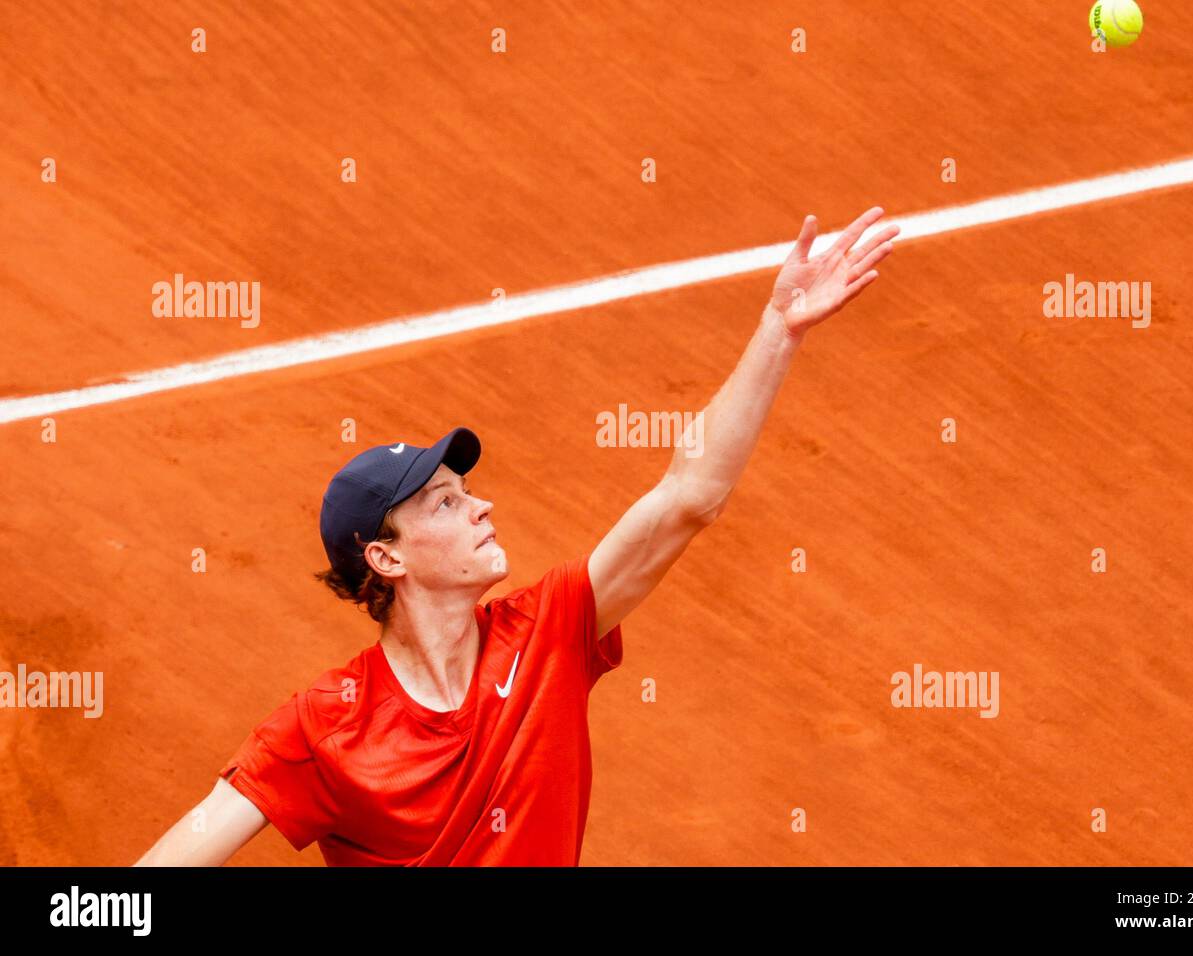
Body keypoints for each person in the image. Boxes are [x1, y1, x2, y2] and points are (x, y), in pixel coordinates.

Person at [134, 208, 897, 865]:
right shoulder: (325, 728)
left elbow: (688, 499)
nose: (481, 508)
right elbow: (176, 856)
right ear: (386, 558)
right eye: (442, 504)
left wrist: (777, 331)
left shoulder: (551, 631)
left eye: (467, 493)